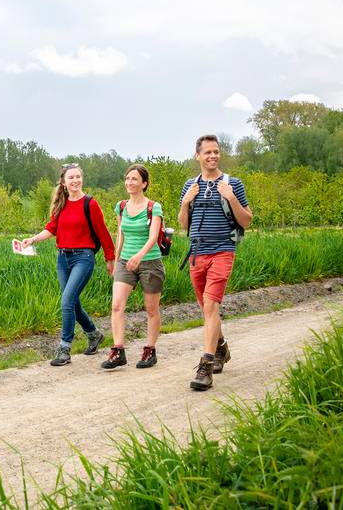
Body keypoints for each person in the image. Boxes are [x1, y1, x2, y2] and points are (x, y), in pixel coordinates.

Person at [20, 163, 115, 366]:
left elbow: (103, 233)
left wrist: (110, 259)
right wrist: (32, 240)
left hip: (84, 258)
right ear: (63, 182)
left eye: (77, 177)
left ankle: (64, 348)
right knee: (71, 302)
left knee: (66, 301)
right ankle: (93, 333)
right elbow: (51, 228)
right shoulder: (61, 205)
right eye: (70, 178)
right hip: (63, 258)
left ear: (82, 179)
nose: (75, 181)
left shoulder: (90, 203)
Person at [178, 134, 252, 391]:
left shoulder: (233, 183)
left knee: (211, 305)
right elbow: (183, 224)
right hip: (197, 253)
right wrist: (187, 201)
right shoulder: (190, 185)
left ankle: (205, 367)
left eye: (216, 152)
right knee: (206, 309)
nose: (212, 156)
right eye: (207, 152)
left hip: (223, 250)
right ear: (197, 155)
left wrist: (230, 197)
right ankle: (221, 348)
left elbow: (246, 221)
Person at [100, 164, 165, 370]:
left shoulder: (153, 207)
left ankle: (149, 350)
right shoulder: (120, 206)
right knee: (117, 305)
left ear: (144, 183)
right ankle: (118, 350)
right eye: (127, 178)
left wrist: (139, 256)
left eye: (134, 179)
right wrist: (116, 259)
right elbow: (121, 233)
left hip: (150, 262)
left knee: (151, 309)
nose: (130, 182)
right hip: (125, 262)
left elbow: (153, 237)